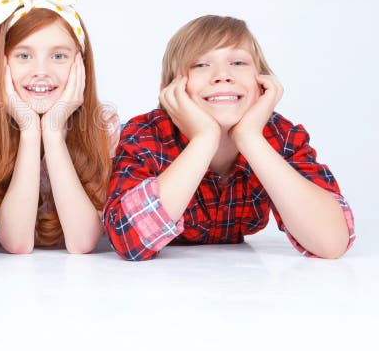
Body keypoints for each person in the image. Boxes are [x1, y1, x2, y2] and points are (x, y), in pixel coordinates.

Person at [104, 15, 355, 260]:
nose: (222, 75)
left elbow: (331, 243)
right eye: (200, 64)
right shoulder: (144, 135)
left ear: (262, 84)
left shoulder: (281, 135)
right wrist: (204, 139)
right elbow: (128, 241)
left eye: (238, 63)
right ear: (171, 89)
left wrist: (250, 138)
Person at [0, 0, 119, 254]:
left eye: (58, 56)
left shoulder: (104, 124)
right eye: (24, 56)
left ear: (81, 64)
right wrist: (30, 130)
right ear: (2, 63)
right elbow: (17, 243)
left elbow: (82, 243)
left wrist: (54, 132)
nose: (41, 71)